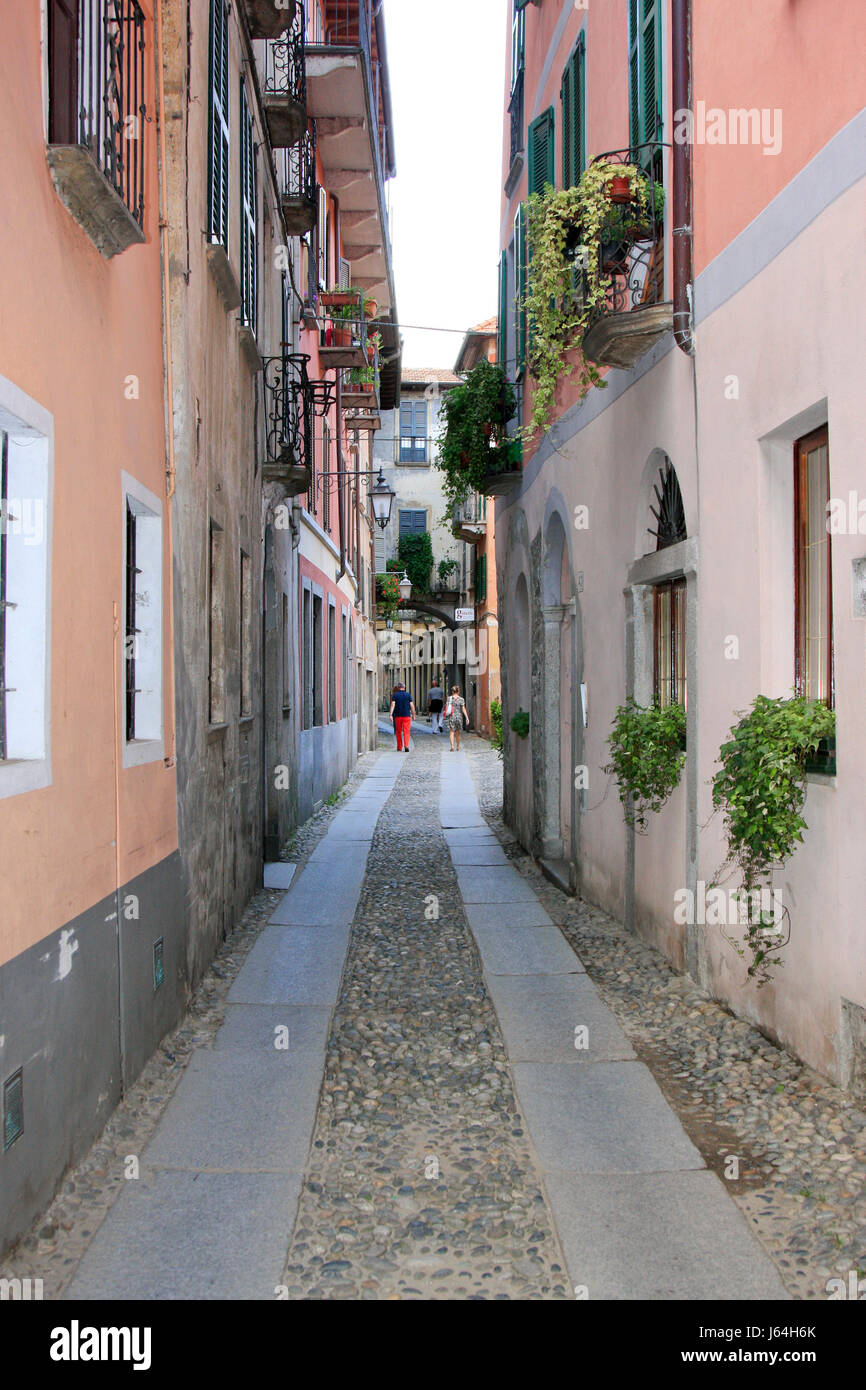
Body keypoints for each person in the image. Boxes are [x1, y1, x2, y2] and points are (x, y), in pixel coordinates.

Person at [389, 681, 415, 752]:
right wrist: (413, 715)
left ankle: (399, 747)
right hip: (407, 716)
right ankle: (406, 745)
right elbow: (412, 706)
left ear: (398, 687)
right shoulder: (408, 695)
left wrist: (390, 714)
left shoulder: (395, 695)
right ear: (404, 687)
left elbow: (392, 705)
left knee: (398, 731)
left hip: (398, 716)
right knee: (407, 731)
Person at [443, 684, 470, 751]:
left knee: (451, 732)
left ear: (452, 691)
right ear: (458, 691)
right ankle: (457, 746)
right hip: (459, 717)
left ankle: (452, 746)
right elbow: (463, 708)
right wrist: (467, 717)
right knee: (458, 733)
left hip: (451, 716)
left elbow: (446, 707)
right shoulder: (461, 699)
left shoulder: (449, 699)